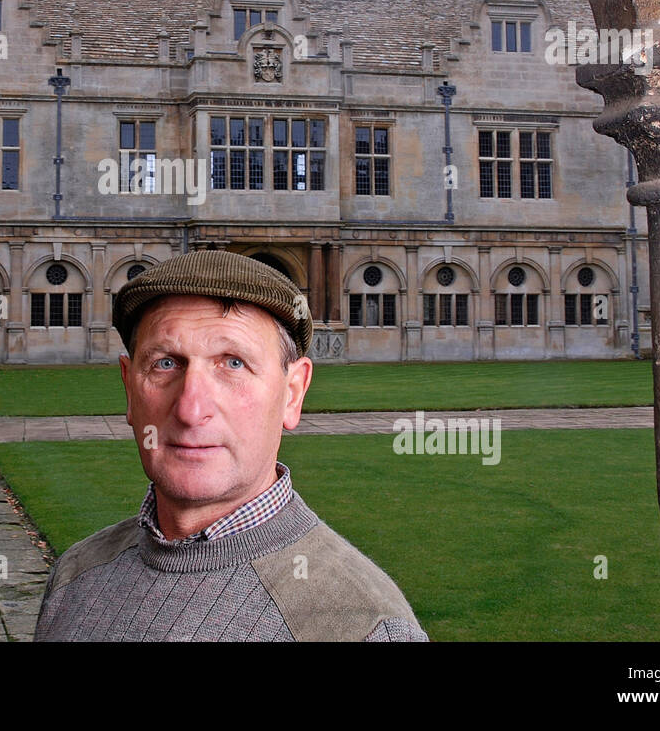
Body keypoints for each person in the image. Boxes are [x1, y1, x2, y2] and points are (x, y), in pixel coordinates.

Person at [33, 249, 427, 641]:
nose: (191, 409)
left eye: (233, 363)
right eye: (166, 363)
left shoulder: (367, 628)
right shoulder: (74, 576)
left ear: (292, 394)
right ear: (129, 388)